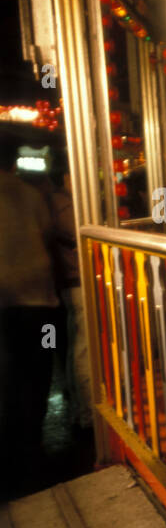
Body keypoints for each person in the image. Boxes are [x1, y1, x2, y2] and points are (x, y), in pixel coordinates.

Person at [0, 132, 61, 486]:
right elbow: (48, 233)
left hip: (4, 306)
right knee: (42, 366)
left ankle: (10, 443)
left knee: (8, 373)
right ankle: (32, 436)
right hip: (42, 303)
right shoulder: (33, 195)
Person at [47, 155, 92, 430]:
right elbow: (75, 235)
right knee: (82, 345)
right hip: (75, 281)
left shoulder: (56, 202)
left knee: (76, 342)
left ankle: (81, 406)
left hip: (68, 283)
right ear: (66, 176)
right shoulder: (62, 204)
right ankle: (85, 410)